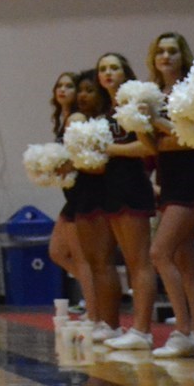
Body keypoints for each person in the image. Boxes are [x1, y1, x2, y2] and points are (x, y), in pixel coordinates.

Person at [143, 32, 194, 358]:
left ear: (183, 55)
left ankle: (183, 328)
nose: (166, 56)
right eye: (161, 51)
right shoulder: (154, 94)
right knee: (186, 261)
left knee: (159, 252)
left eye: (172, 50)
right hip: (169, 178)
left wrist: (157, 123)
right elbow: (153, 149)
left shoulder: (191, 90)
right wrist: (145, 127)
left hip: (192, 178)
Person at [90, 52, 158, 352]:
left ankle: (143, 329)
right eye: (103, 69)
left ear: (125, 72)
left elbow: (147, 147)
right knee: (126, 261)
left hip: (133, 188)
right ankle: (130, 326)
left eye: (114, 68)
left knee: (139, 260)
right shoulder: (106, 110)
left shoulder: (134, 105)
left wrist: (111, 150)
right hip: (111, 190)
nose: (108, 73)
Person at [66, 70, 123, 343]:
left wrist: (77, 160)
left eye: (89, 90)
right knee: (92, 262)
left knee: (103, 262)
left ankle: (112, 323)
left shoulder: (103, 123)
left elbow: (99, 165)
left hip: (101, 195)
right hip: (81, 196)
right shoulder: (81, 121)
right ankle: (99, 319)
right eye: (81, 90)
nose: (82, 95)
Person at [44, 72, 97, 320]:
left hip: (84, 192)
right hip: (71, 195)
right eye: (59, 85)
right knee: (57, 251)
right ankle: (97, 294)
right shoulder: (63, 118)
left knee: (81, 256)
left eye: (69, 86)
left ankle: (94, 308)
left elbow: (79, 156)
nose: (63, 90)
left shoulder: (76, 118)